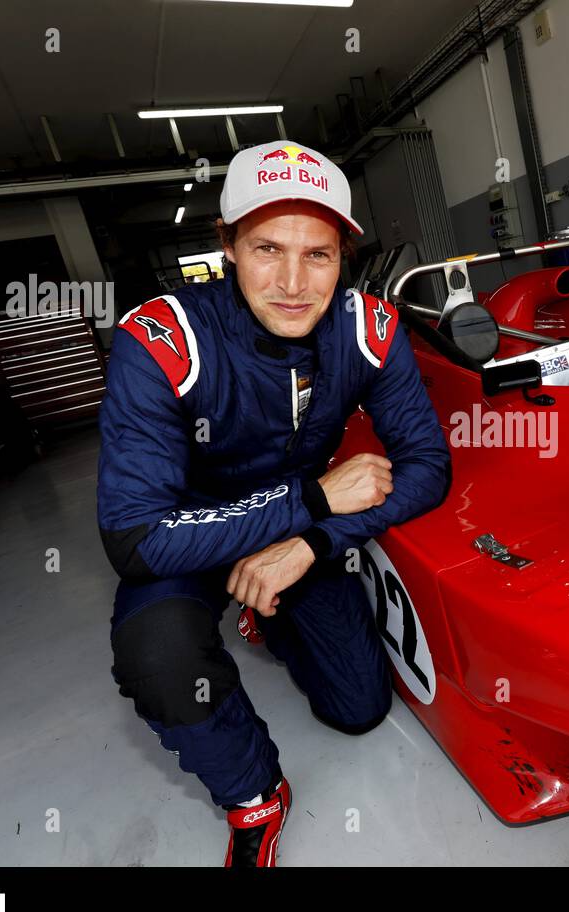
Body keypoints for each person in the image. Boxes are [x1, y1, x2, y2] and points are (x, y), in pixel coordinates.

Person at [96, 140, 451, 867]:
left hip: (299, 533)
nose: (293, 282)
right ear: (226, 244)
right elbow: (135, 538)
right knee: (157, 656)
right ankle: (255, 795)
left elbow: (428, 466)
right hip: (184, 533)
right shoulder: (159, 337)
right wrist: (313, 499)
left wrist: (313, 542)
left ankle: (268, 612)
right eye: (267, 248)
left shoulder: (371, 328)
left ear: (344, 257)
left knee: (359, 708)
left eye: (317, 254)